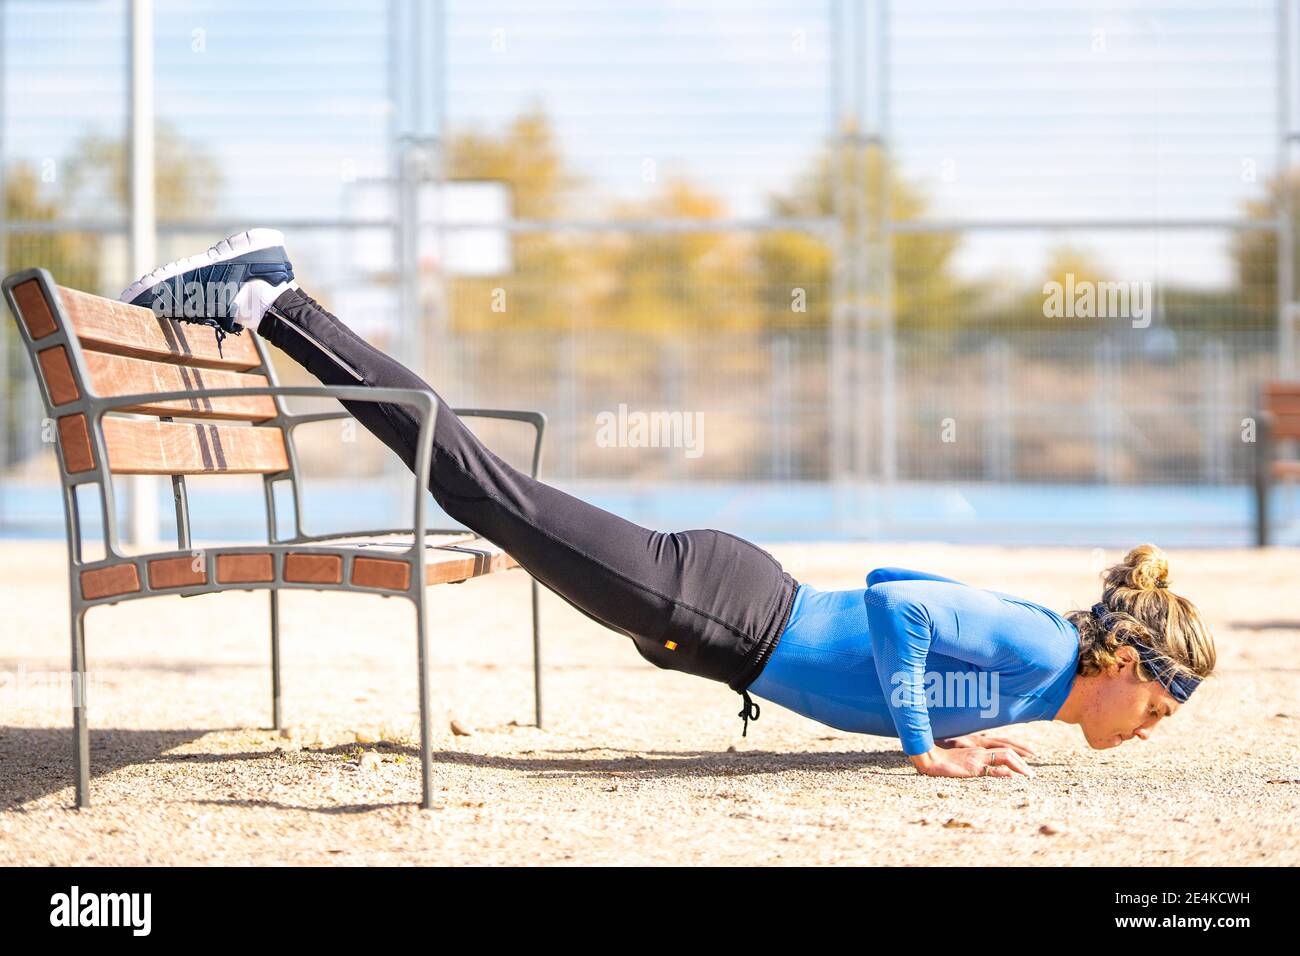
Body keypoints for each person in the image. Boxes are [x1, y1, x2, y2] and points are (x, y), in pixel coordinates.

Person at [121, 230, 1218, 780]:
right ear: (1121, 668)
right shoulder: (1034, 644)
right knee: (473, 484)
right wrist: (927, 742)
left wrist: (956, 735)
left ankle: (269, 299)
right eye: (1159, 709)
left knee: (480, 489)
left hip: (722, 613)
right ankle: (272, 296)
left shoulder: (1032, 692)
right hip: (723, 600)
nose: (1146, 730)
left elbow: (898, 637)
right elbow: (899, 603)